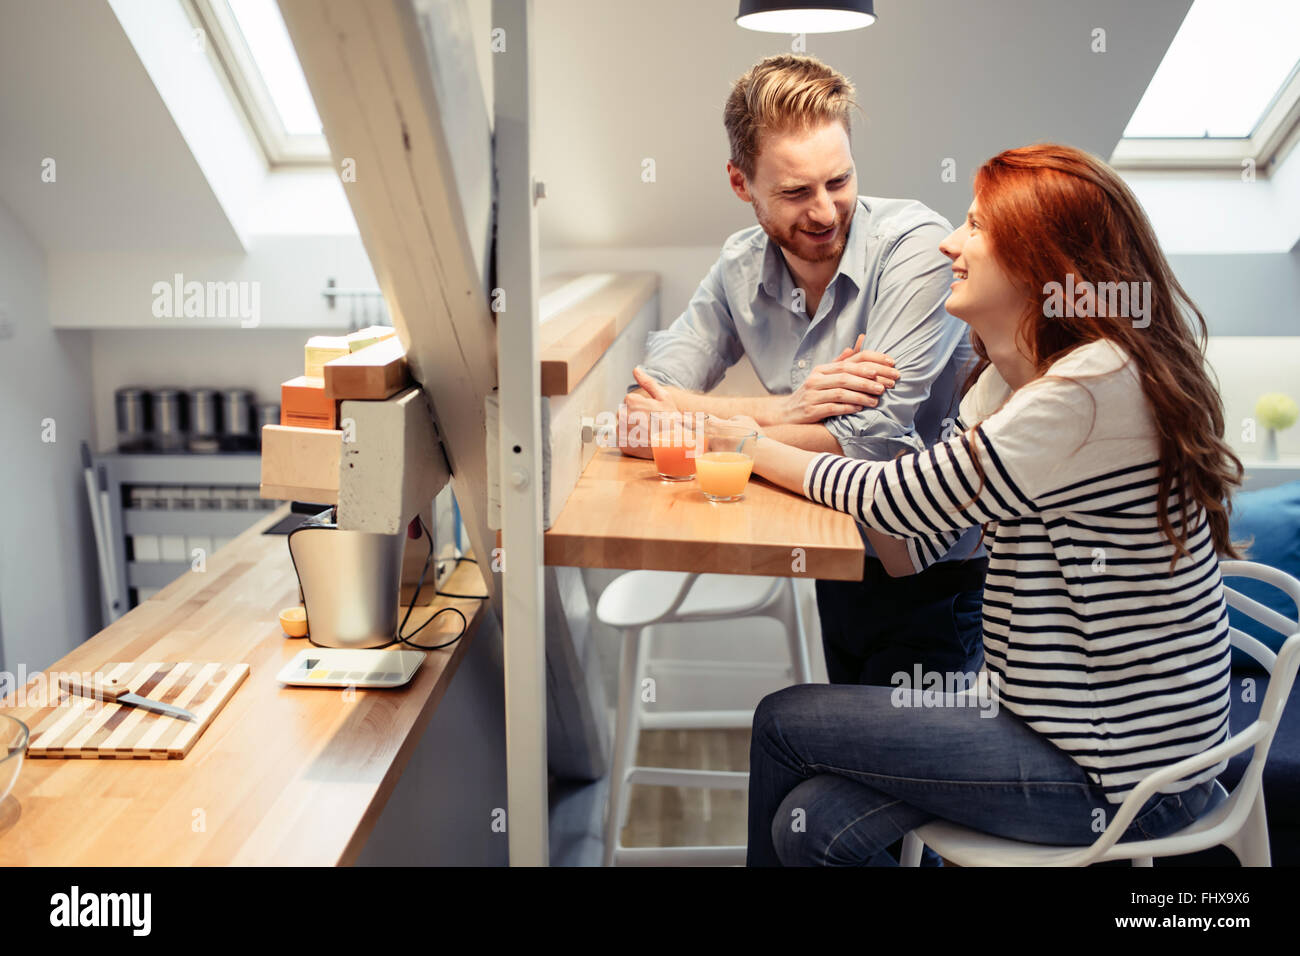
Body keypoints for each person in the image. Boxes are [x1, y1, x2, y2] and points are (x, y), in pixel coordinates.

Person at [733, 143, 1243, 866]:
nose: (950, 243)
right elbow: (914, 541)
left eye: (974, 227)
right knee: (809, 823)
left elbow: (898, 500)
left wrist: (747, 443)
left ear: (1040, 260)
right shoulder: (1019, 384)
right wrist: (853, 418)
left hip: (1119, 773)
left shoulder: (1091, 389)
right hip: (1045, 724)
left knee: (783, 721)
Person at [620, 53, 985, 688]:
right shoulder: (739, 265)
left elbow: (868, 444)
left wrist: (694, 419)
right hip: (829, 547)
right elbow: (642, 406)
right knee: (848, 763)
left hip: (934, 573)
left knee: (898, 777)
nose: (823, 212)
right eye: (795, 192)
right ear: (741, 184)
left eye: (838, 182)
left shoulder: (918, 250)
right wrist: (782, 412)